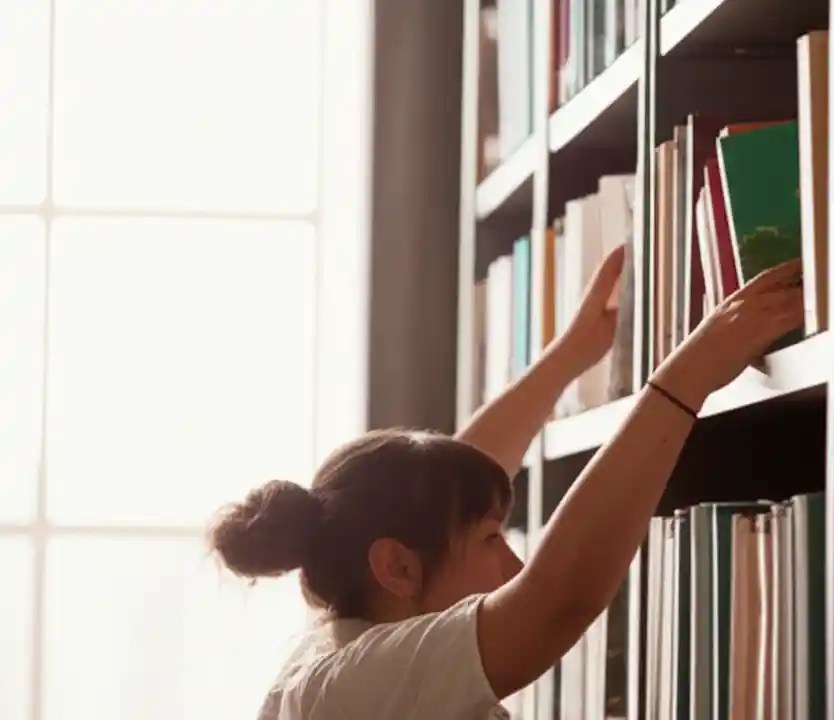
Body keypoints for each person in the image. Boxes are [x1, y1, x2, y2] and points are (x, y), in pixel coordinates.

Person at [209, 245, 804, 719]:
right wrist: (686, 378)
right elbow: (556, 601)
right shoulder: (358, 681)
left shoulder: (336, 653)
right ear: (397, 567)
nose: (515, 567)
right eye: (493, 539)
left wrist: (573, 354)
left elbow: (451, 491)